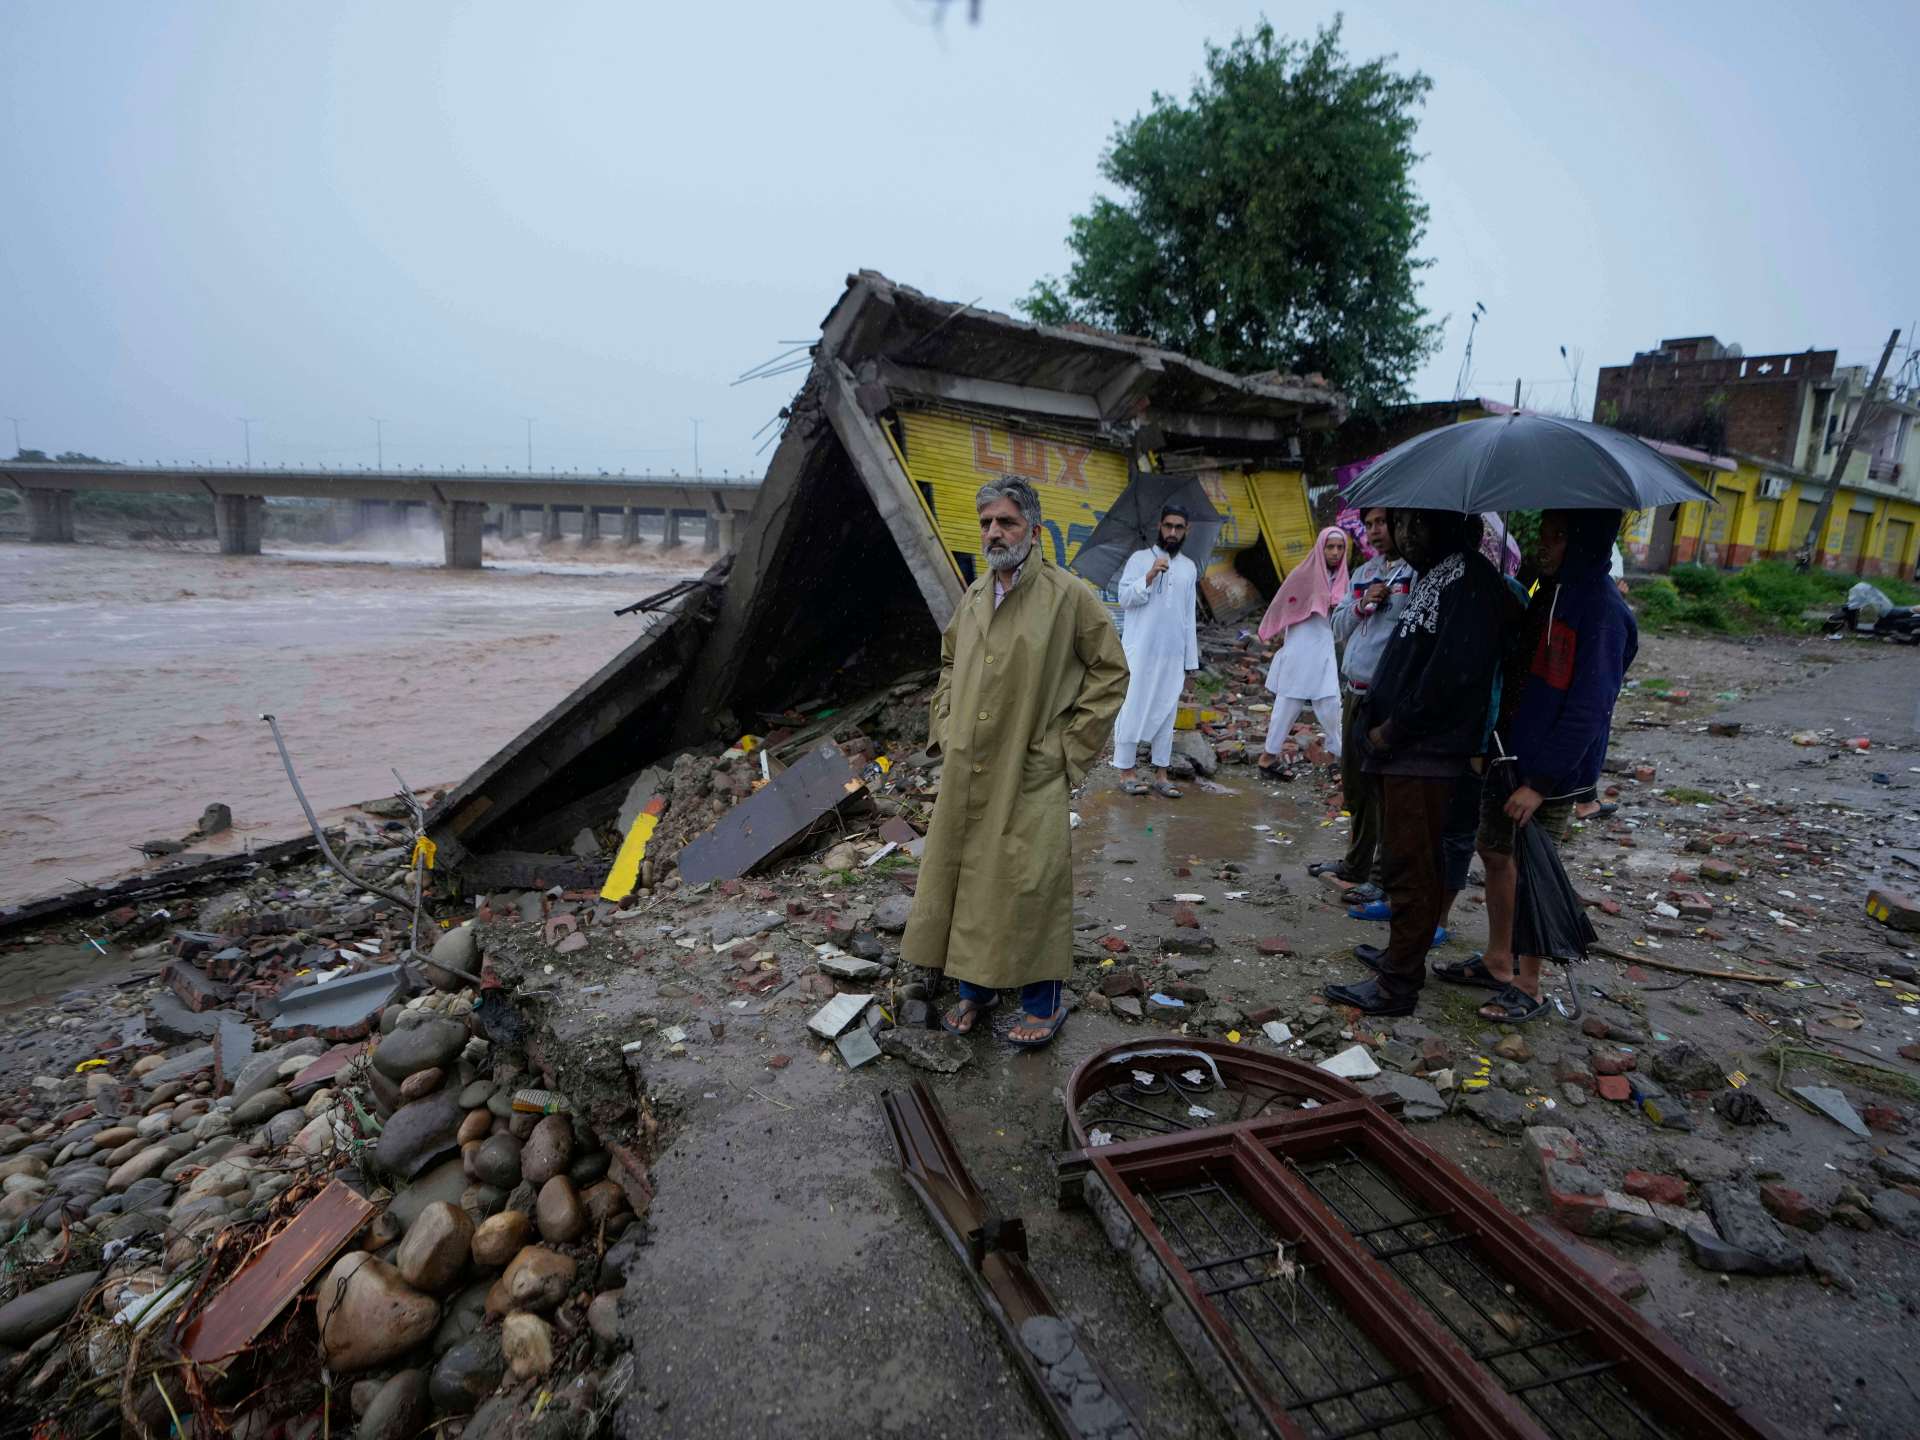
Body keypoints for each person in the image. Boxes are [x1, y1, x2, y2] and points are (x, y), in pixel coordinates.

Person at [905, 476, 1128, 1049]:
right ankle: (975, 990)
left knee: (1031, 881)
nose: (993, 532)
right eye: (985, 523)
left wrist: (1067, 749)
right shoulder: (976, 594)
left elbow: (1110, 673)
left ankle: (1042, 1002)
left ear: (1032, 526)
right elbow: (950, 660)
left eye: (1005, 521)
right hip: (968, 764)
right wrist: (947, 725)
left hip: (1029, 766)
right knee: (972, 878)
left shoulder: (1068, 596)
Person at [1438, 509, 1638, 1023]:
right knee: (1494, 850)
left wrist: (1541, 781)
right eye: (1542, 536)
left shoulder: (1601, 610)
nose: (1542, 546)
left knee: (1530, 868)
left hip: (1550, 775)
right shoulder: (1548, 592)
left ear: (1584, 541)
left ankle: (1529, 985)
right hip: (1511, 754)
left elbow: (1591, 706)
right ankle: (1498, 960)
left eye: (1554, 537)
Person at [1323, 511, 1512, 1017]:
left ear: (1442, 525)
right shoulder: (1436, 574)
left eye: (1411, 523)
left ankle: (1397, 985)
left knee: (1412, 865)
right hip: (1404, 748)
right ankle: (1398, 957)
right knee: (1407, 860)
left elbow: (1449, 676)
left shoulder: (1470, 580)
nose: (1403, 534)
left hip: (1425, 751)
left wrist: (1394, 728)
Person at [1308, 506, 1411, 902]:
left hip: (1387, 696)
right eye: (1368, 525)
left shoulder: (1416, 575)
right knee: (1354, 782)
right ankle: (1357, 862)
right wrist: (1362, 604)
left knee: (1382, 787)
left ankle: (1382, 876)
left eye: (1382, 523)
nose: (1375, 531)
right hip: (1355, 688)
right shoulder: (1366, 573)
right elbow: (1337, 627)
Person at [1111, 505, 1200, 799]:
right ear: (1159, 527)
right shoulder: (1140, 560)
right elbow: (1124, 598)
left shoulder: (1189, 567)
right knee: (1132, 706)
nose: (1172, 532)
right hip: (1141, 651)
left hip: (1172, 654)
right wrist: (1148, 576)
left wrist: (1191, 663)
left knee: (1166, 710)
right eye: (1167, 526)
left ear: (1186, 531)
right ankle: (1126, 771)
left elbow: (1189, 619)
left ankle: (1162, 774)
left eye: (1178, 527)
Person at [1256, 527, 1351, 777]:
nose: (1335, 552)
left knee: (1331, 704)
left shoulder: (1343, 580)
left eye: (1340, 547)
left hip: (1324, 651)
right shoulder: (1303, 574)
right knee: (1287, 703)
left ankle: (1337, 757)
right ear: (1320, 548)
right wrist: (1272, 629)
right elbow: (1282, 603)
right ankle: (1268, 757)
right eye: (1330, 547)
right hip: (1300, 648)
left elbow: (1344, 618)